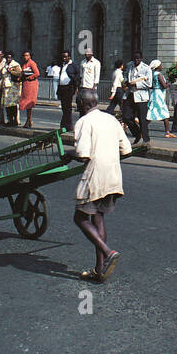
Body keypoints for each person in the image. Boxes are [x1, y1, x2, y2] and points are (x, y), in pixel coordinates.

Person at [71, 89, 132, 283]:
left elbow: (82, 154)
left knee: (80, 218)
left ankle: (108, 252)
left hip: (95, 176)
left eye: (77, 103)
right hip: (113, 175)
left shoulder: (83, 122)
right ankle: (99, 269)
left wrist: (67, 155)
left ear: (82, 103)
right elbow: (127, 150)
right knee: (98, 218)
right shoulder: (111, 120)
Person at [126, 53, 152, 143]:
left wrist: (136, 83)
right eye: (135, 58)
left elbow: (149, 84)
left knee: (142, 119)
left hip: (141, 96)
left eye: (138, 59)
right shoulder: (129, 65)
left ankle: (146, 139)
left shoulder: (146, 68)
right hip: (130, 94)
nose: (136, 60)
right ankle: (137, 133)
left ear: (141, 59)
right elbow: (126, 76)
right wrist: (126, 82)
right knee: (126, 117)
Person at [147, 59, 171, 135]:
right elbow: (164, 86)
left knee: (151, 112)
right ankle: (167, 132)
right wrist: (169, 84)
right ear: (157, 66)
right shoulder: (159, 75)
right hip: (159, 95)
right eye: (160, 65)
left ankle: (142, 128)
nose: (161, 66)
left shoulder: (153, 74)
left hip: (154, 94)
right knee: (165, 113)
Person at [17, 50, 40, 128]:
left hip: (31, 85)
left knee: (29, 103)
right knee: (26, 103)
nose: (25, 57)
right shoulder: (25, 64)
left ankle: (28, 121)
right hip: (25, 85)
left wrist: (29, 77)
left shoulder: (32, 63)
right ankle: (29, 120)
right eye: (24, 55)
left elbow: (37, 73)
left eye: (27, 55)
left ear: (30, 56)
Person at [56, 51, 75, 133]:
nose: (64, 58)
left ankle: (68, 125)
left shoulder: (73, 66)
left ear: (69, 57)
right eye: (63, 57)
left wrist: (74, 86)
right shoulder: (62, 65)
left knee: (68, 108)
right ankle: (65, 124)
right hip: (62, 88)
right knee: (64, 107)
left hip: (68, 88)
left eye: (66, 57)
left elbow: (76, 77)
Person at [2, 53, 21, 126]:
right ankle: (9, 120)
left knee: (13, 105)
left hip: (13, 86)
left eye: (10, 58)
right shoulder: (5, 65)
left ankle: (15, 120)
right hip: (6, 86)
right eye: (7, 57)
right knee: (7, 105)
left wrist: (11, 71)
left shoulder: (15, 64)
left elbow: (19, 73)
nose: (8, 59)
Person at [107, 59, 126, 125]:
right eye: (122, 65)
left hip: (117, 90)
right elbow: (115, 83)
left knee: (112, 105)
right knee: (122, 106)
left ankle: (107, 115)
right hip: (118, 90)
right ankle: (123, 120)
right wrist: (113, 92)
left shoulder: (115, 72)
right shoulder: (118, 73)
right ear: (120, 65)